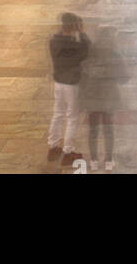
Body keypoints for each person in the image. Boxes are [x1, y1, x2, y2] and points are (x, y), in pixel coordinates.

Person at [47, 13, 91, 169]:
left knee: (57, 113)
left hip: (58, 82)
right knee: (72, 117)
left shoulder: (54, 40)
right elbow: (86, 51)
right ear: (75, 26)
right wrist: (82, 33)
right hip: (72, 83)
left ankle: (53, 147)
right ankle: (68, 152)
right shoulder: (77, 44)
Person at [83, 26, 127, 173]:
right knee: (108, 130)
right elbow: (123, 79)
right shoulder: (115, 54)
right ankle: (108, 161)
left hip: (92, 99)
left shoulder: (91, 53)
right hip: (108, 99)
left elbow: (83, 76)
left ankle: (94, 161)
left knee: (93, 131)